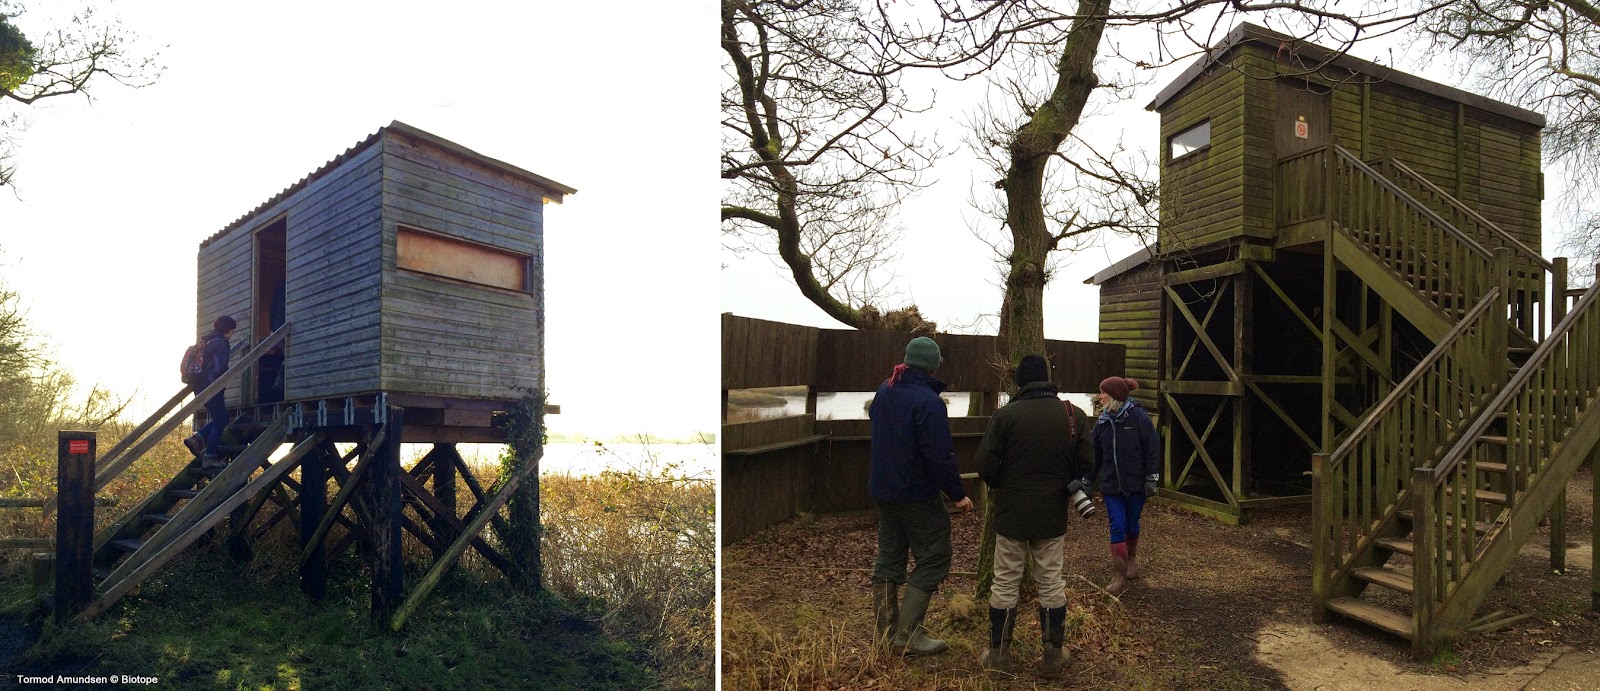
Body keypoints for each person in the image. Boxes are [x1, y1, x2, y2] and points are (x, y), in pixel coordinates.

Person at [974, 354, 1092, 675]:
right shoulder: (1074, 415)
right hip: (1052, 513)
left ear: (1020, 382)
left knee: (1005, 582)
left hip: (1012, 514)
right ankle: (1053, 657)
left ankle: (998, 657)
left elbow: (984, 465)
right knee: (1051, 582)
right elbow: (1087, 464)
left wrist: (1004, 484)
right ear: (1048, 378)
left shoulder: (1005, 416)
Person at [868, 336, 974, 656]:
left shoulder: (885, 391)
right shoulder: (929, 403)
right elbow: (938, 456)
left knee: (889, 558)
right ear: (932, 366)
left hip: (883, 491)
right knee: (935, 556)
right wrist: (958, 495)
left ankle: (887, 635)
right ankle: (908, 636)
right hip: (916, 494)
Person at [1086, 376, 1160, 596]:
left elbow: (1152, 448)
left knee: (1131, 524)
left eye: (1102, 393)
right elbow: (1094, 456)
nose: (1099, 397)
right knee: (1117, 525)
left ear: (1115, 396)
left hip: (1137, 484)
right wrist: (1088, 480)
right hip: (1111, 486)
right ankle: (1119, 575)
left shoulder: (1138, 417)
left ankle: (1132, 559)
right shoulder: (1101, 423)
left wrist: (1151, 478)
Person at [183, 316, 237, 470]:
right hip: (212, 386)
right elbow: (219, 368)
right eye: (232, 330)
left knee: (220, 418)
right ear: (228, 330)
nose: (232, 333)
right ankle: (209, 457)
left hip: (199, 386)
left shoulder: (206, 341)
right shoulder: (222, 342)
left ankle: (197, 438)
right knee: (221, 420)